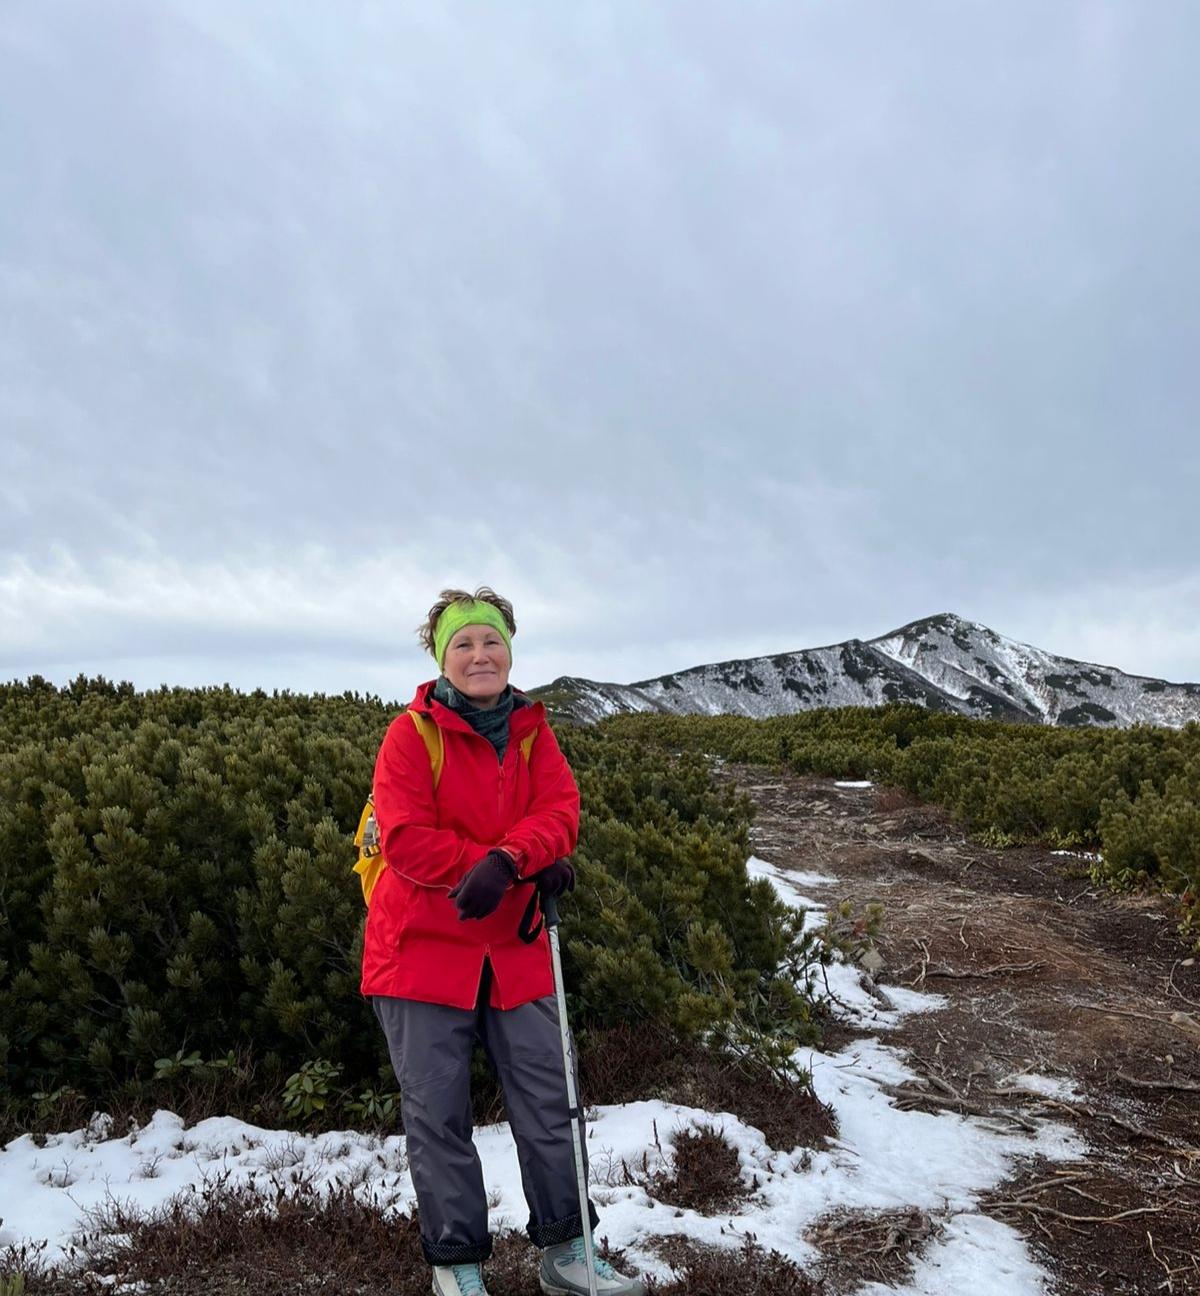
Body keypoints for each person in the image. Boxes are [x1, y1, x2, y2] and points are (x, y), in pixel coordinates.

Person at [361, 587, 647, 1296]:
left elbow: (560, 810)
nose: (480, 655)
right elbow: (402, 841)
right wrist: (481, 866)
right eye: (463, 643)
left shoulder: (531, 731)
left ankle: (568, 1250)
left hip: (514, 949)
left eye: (491, 642)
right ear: (441, 656)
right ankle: (456, 1266)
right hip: (420, 953)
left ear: (509, 650)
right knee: (439, 1115)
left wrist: (509, 861)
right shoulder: (410, 735)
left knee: (551, 1103)